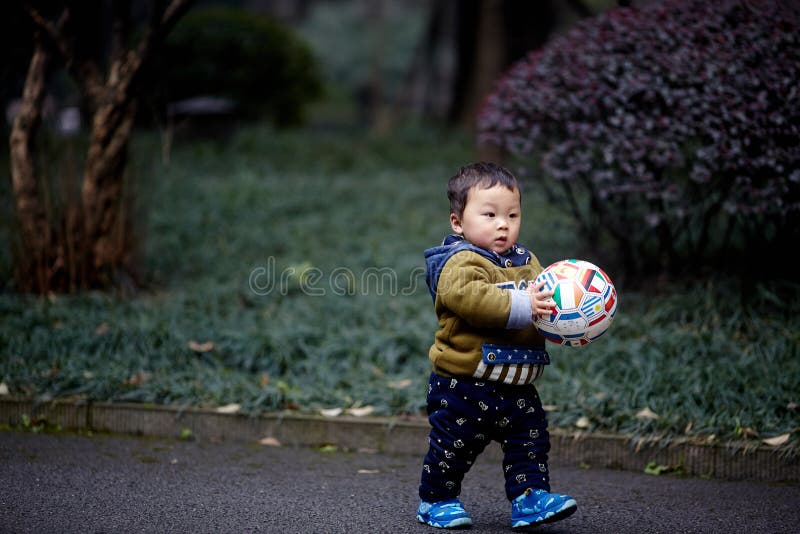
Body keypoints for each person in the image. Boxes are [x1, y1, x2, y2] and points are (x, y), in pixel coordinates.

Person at [416, 162, 577, 529]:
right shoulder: (458, 262)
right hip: (463, 383)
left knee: (530, 441)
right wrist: (523, 304)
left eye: (512, 214)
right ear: (458, 222)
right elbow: (472, 299)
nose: (503, 223)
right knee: (452, 448)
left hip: (517, 383)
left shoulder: (526, 261)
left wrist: (565, 318)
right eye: (489, 214)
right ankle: (436, 499)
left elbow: (545, 299)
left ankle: (530, 497)